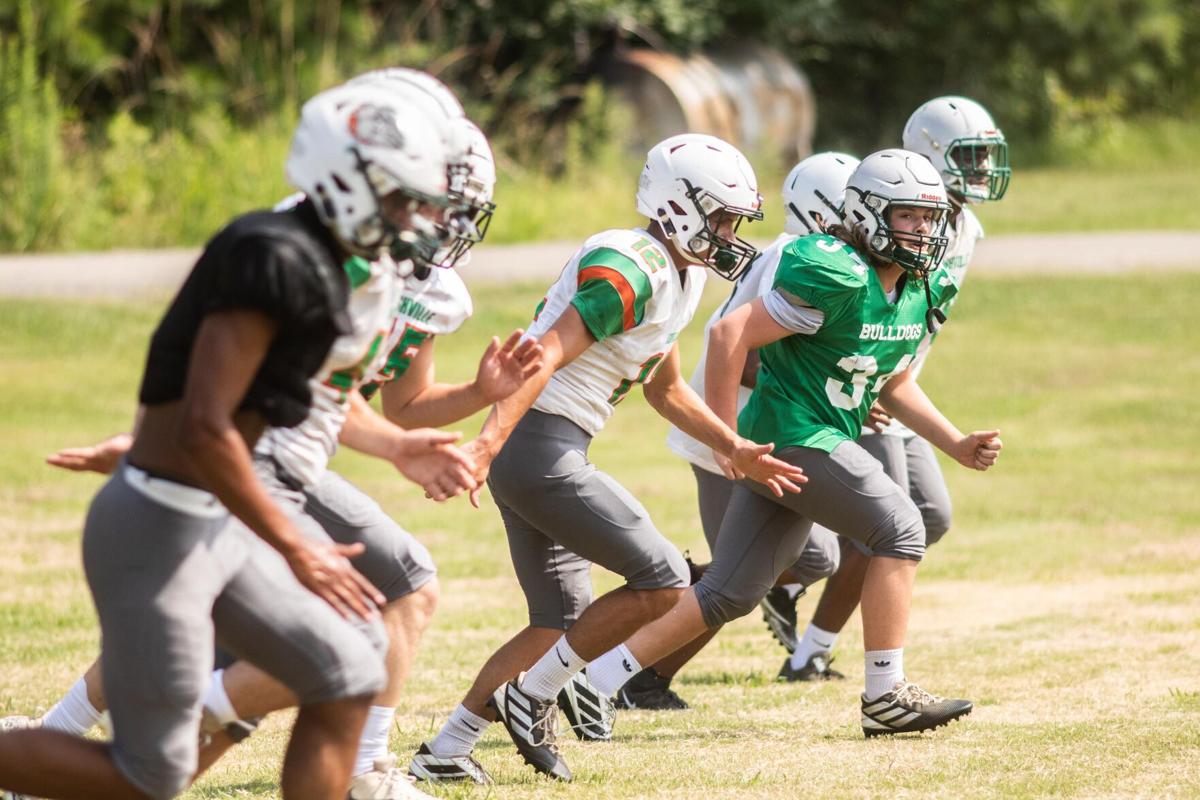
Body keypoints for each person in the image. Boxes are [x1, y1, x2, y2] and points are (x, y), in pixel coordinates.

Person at [1, 78, 530, 800]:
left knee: (351, 661)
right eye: (405, 198)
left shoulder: (359, 270)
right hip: (170, 521)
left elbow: (305, 399)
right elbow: (205, 425)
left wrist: (402, 446)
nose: (420, 219)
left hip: (212, 514)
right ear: (350, 179)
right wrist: (294, 542)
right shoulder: (273, 254)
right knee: (145, 778)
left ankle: (335, 764)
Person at [408, 133, 806, 784]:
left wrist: (731, 444)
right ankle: (533, 697)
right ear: (678, 206)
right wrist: (487, 440)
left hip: (543, 446)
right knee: (664, 580)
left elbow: (665, 387)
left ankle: (446, 751)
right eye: (723, 217)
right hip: (538, 444)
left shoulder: (679, 273)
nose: (731, 234)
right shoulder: (634, 266)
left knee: (557, 624)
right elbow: (545, 358)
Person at [577, 148, 1003, 741]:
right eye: (908, 216)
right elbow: (729, 335)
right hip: (797, 435)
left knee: (730, 591)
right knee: (901, 529)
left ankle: (592, 683)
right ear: (871, 211)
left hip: (791, 448)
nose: (923, 230)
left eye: (929, 219)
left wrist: (954, 442)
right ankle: (885, 693)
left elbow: (895, 378)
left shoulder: (915, 286)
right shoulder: (836, 269)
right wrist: (727, 440)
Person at [606, 151, 863, 711]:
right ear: (824, 213)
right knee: (734, 584)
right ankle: (639, 674)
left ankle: (697, 590)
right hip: (728, 430)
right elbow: (745, 355)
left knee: (811, 560)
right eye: (854, 215)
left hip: (762, 432)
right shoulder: (797, 257)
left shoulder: (812, 257)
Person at [777, 96, 1010, 682]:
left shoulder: (960, 225)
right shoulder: (882, 218)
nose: (982, 169)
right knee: (888, 527)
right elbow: (855, 320)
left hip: (899, 384)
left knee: (929, 516)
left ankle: (800, 622)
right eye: (969, 156)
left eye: (986, 156)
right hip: (861, 390)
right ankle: (817, 655)